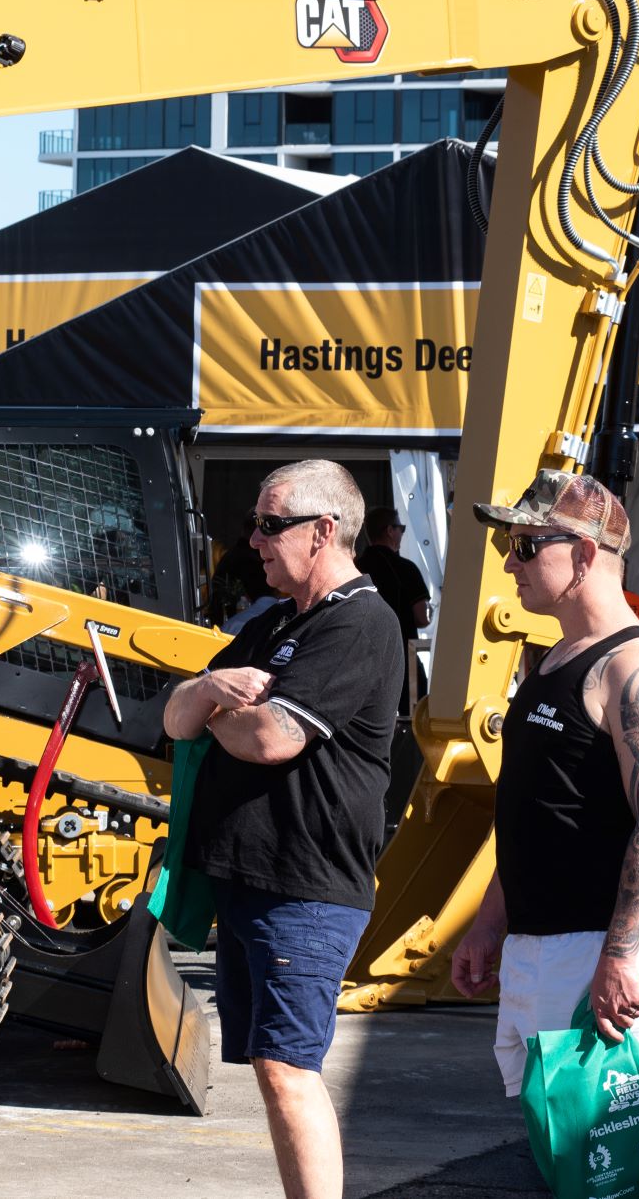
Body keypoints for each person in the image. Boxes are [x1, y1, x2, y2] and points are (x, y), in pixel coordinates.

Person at [163, 460, 401, 1199]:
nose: (255, 542)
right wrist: (207, 690)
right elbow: (176, 721)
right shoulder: (276, 624)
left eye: (270, 525)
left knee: (288, 1068)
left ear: (324, 530)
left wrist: (219, 709)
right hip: (253, 881)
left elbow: (271, 738)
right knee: (273, 1070)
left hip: (306, 886)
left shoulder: (360, 620)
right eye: (255, 526)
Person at [449, 469, 639, 1097]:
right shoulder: (554, 658)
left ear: (585, 554)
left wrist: (619, 956)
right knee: (558, 1145)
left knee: (605, 1161)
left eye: (526, 546)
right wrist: (488, 924)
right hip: (541, 947)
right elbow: (536, 811)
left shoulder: (633, 668)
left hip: (593, 953)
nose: (510, 564)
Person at [356, 505, 432, 713]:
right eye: (401, 528)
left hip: (361, 659)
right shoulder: (405, 569)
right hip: (402, 659)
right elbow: (422, 617)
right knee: (413, 720)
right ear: (390, 530)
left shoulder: (355, 567)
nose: (401, 533)